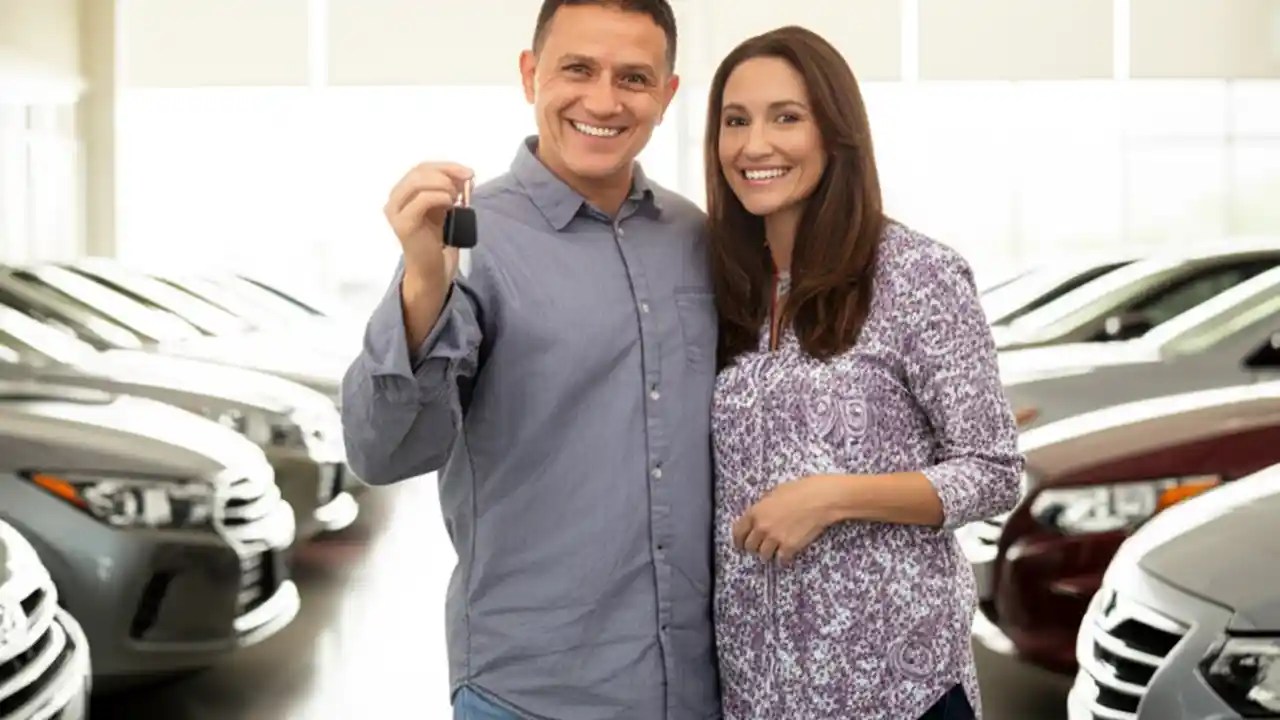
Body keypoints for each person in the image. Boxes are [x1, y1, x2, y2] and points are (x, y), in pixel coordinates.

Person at [340, 1, 721, 718]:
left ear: (667, 95)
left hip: (696, 691)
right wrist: (422, 286)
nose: (603, 101)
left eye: (633, 78)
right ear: (529, 74)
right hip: (530, 694)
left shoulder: (695, 237)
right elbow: (381, 452)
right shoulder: (465, 243)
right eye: (578, 69)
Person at [702, 26, 1025, 720]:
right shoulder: (724, 284)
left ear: (835, 133)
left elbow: (994, 469)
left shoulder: (916, 274)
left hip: (896, 690)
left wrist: (832, 497)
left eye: (786, 117)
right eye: (736, 120)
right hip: (759, 692)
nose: (754, 144)